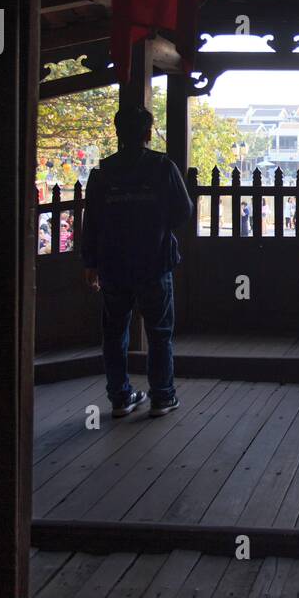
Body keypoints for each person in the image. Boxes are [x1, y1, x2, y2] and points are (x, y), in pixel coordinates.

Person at [81, 106, 193, 418]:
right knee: (159, 331)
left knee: (115, 332)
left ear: (117, 132)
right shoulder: (162, 167)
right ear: (147, 133)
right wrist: (158, 223)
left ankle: (120, 397)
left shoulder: (103, 172)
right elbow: (184, 210)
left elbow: (91, 222)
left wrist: (90, 262)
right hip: (153, 260)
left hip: (112, 264)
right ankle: (162, 396)